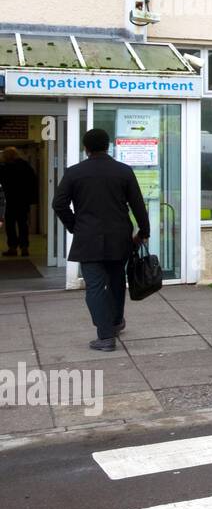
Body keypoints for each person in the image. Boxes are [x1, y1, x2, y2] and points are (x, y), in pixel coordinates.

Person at [52, 130, 149, 352]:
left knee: (94, 287)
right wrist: (143, 232)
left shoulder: (74, 173)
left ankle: (105, 337)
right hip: (119, 238)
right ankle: (115, 322)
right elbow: (138, 205)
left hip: (88, 239)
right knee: (116, 281)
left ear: (86, 148)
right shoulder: (123, 171)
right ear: (108, 146)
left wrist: (75, 226)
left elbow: (58, 204)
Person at [0, 146, 38, 257]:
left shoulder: (3, 168)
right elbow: (32, 182)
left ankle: (12, 248)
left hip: (9, 201)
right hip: (22, 201)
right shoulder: (25, 165)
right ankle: (24, 247)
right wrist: (31, 199)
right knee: (23, 224)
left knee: (10, 225)